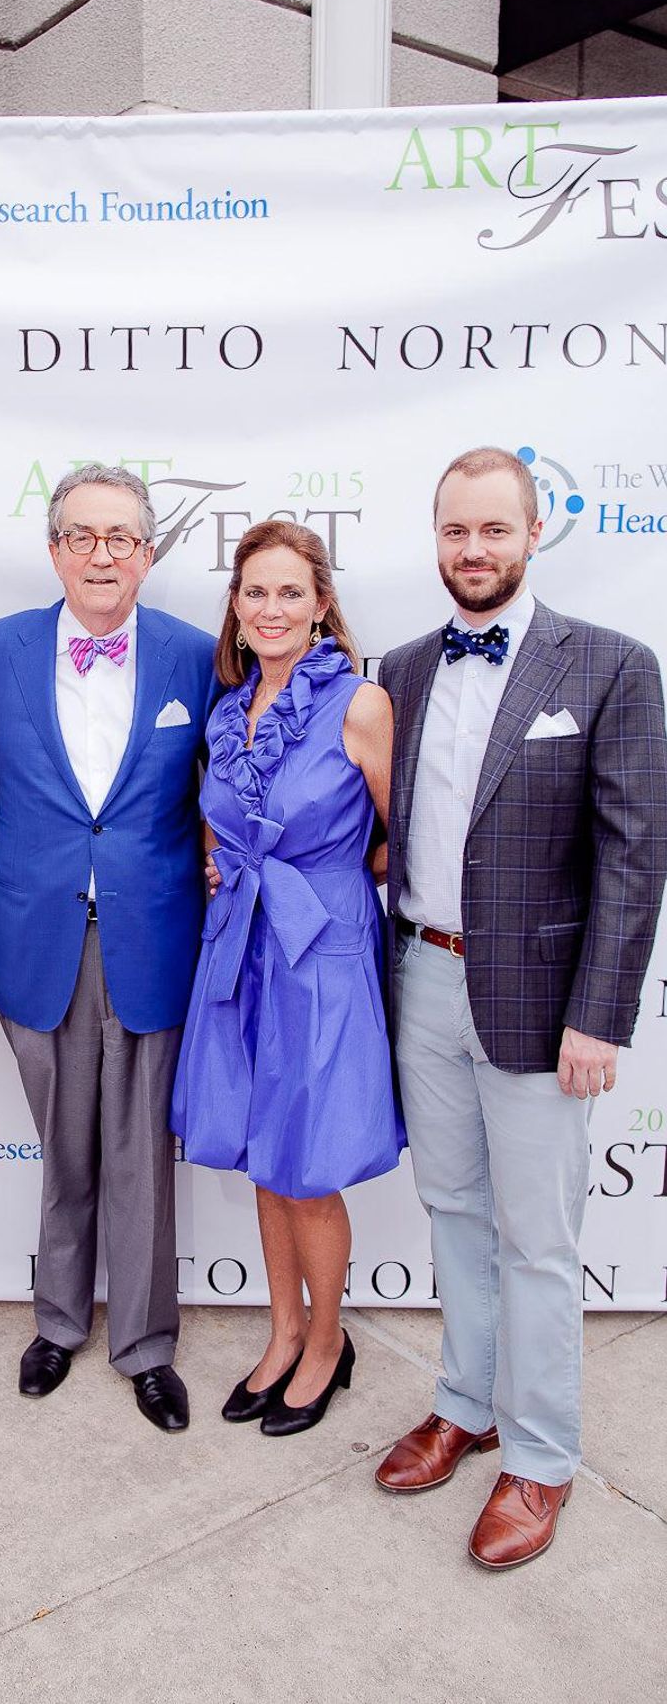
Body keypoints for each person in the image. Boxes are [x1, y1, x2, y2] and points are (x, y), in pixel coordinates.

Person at [375, 446, 667, 1569]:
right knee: (452, 1207)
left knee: (540, 1240)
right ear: (435, 537)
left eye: (494, 529)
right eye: (456, 531)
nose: (473, 550)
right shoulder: (399, 667)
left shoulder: (608, 664)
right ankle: (467, 1400)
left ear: (533, 531)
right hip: (424, 977)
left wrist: (601, 1012)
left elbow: (636, 857)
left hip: (546, 1002)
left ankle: (542, 1459)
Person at [0, 463, 220, 1432]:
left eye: (122, 538)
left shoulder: (198, 656)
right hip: (40, 935)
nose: (102, 554)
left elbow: (231, 780)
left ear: (149, 553)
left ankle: (146, 1341)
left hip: (155, 937)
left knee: (142, 1149)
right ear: (54, 548)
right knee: (62, 1144)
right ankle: (59, 1320)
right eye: (83, 535)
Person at [170, 520, 402, 1435]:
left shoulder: (360, 703)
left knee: (310, 1164)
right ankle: (282, 1330)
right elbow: (219, 826)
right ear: (235, 604)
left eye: (291, 593)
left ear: (320, 606)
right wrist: (227, 864)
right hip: (241, 942)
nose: (272, 608)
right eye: (255, 591)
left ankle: (327, 1343)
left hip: (323, 951)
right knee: (267, 1155)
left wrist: (335, 881)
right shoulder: (228, 711)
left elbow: (403, 834)